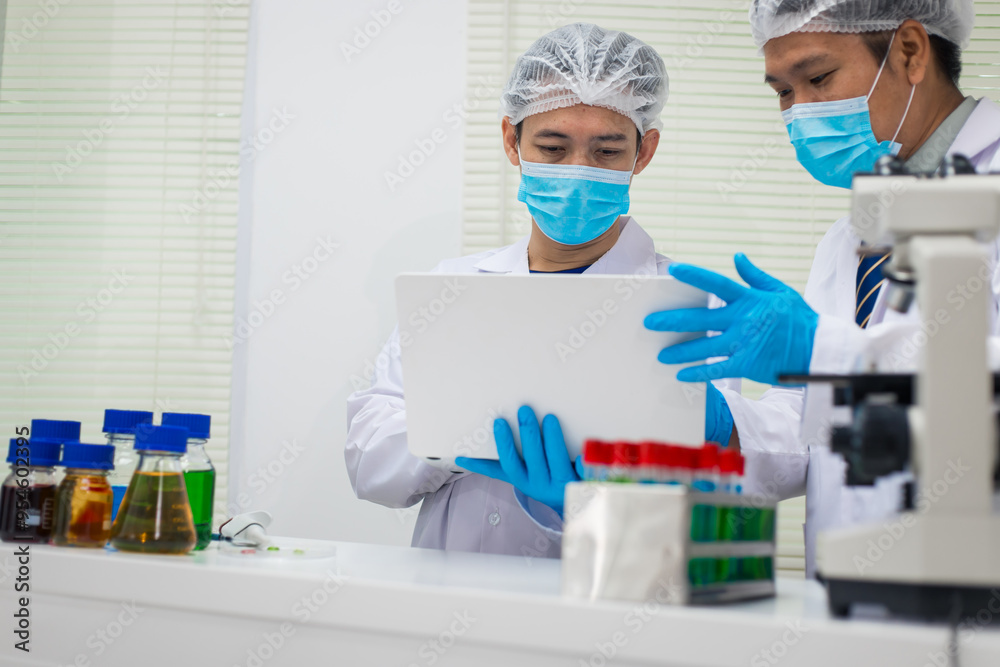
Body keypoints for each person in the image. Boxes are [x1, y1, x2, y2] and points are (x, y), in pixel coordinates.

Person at [346, 23, 738, 557]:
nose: (578, 171)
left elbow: (721, 502)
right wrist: (458, 441)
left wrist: (585, 496)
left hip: (607, 611)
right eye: (553, 147)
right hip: (440, 600)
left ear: (643, 153)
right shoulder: (448, 289)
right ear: (512, 140)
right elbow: (369, 467)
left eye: (605, 151)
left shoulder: (693, 307)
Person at [644, 0, 1000, 575]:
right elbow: (812, 428)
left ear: (910, 52)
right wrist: (720, 424)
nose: (799, 113)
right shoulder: (850, 236)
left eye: (817, 78)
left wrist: (826, 352)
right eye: (783, 92)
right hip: (848, 601)